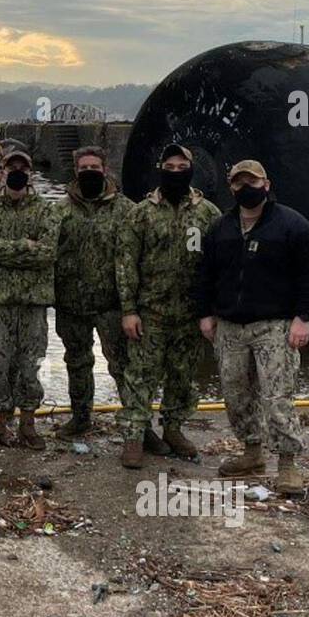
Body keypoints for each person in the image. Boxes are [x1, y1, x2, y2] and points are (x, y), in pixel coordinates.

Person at [195, 159, 309, 496]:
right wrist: (205, 314)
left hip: (275, 324)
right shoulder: (221, 228)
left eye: (252, 182)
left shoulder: (291, 225)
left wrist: (304, 317)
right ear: (232, 188)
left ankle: (287, 462)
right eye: (239, 184)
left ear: (266, 185)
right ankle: (252, 452)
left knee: (276, 394)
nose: (246, 189)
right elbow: (205, 274)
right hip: (229, 326)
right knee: (235, 392)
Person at [115, 144, 220, 468]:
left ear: (191, 168)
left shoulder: (208, 213)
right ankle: (134, 436)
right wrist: (129, 310)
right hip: (151, 312)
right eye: (169, 166)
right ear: (160, 168)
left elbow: (218, 265)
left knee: (182, 376)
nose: (175, 172)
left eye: (181, 166)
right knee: (140, 376)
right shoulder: (141, 213)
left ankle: (173, 429)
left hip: (190, 314)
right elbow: (126, 263)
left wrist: (212, 311)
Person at [0, 148, 59, 450]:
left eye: (24, 166)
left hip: (33, 303)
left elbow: (48, 252)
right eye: (12, 167)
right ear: (4, 170)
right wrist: (27, 247)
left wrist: (9, 249)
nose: (18, 171)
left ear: (30, 172)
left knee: (30, 363)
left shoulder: (47, 210)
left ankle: (28, 422)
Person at [52, 146, 136, 439]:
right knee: (77, 362)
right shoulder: (59, 210)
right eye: (84, 167)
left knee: (124, 365)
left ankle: (137, 424)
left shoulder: (126, 210)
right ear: (76, 171)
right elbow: (49, 255)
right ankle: (81, 417)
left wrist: (131, 307)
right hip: (70, 303)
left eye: (94, 167)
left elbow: (134, 258)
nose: (89, 172)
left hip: (112, 304)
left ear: (105, 169)